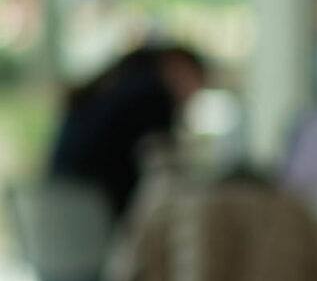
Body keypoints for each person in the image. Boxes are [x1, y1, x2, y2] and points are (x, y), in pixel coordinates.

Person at [48, 43, 207, 223]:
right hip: (99, 218)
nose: (189, 97)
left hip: (59, 220)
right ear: (177, 66)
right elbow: (166, 171)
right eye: (194, 83)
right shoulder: (151, 93)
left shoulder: (109, 87)